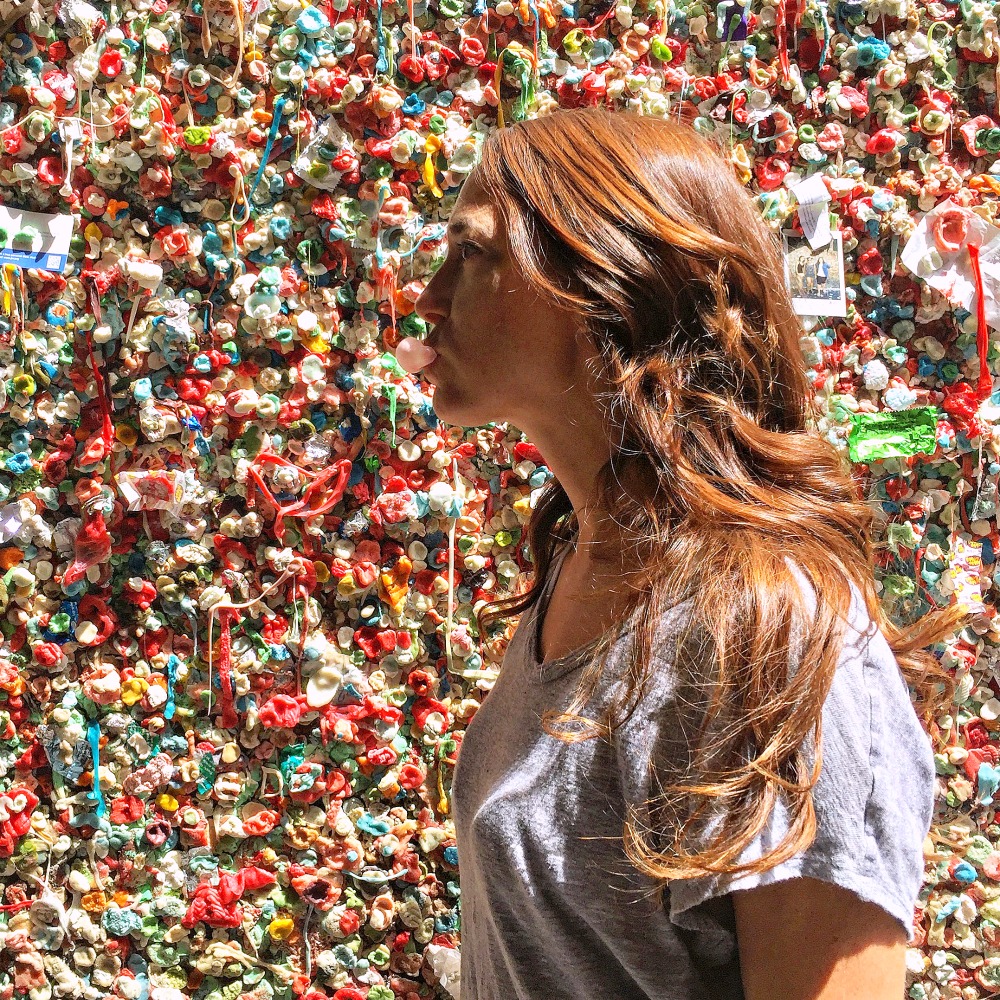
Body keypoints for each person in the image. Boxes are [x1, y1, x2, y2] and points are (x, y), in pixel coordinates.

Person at [412, 106, 968, 1000]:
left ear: (602, 279)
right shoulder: (586, 561)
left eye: (471, 252)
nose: (428, 299)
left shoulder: (769, 633)